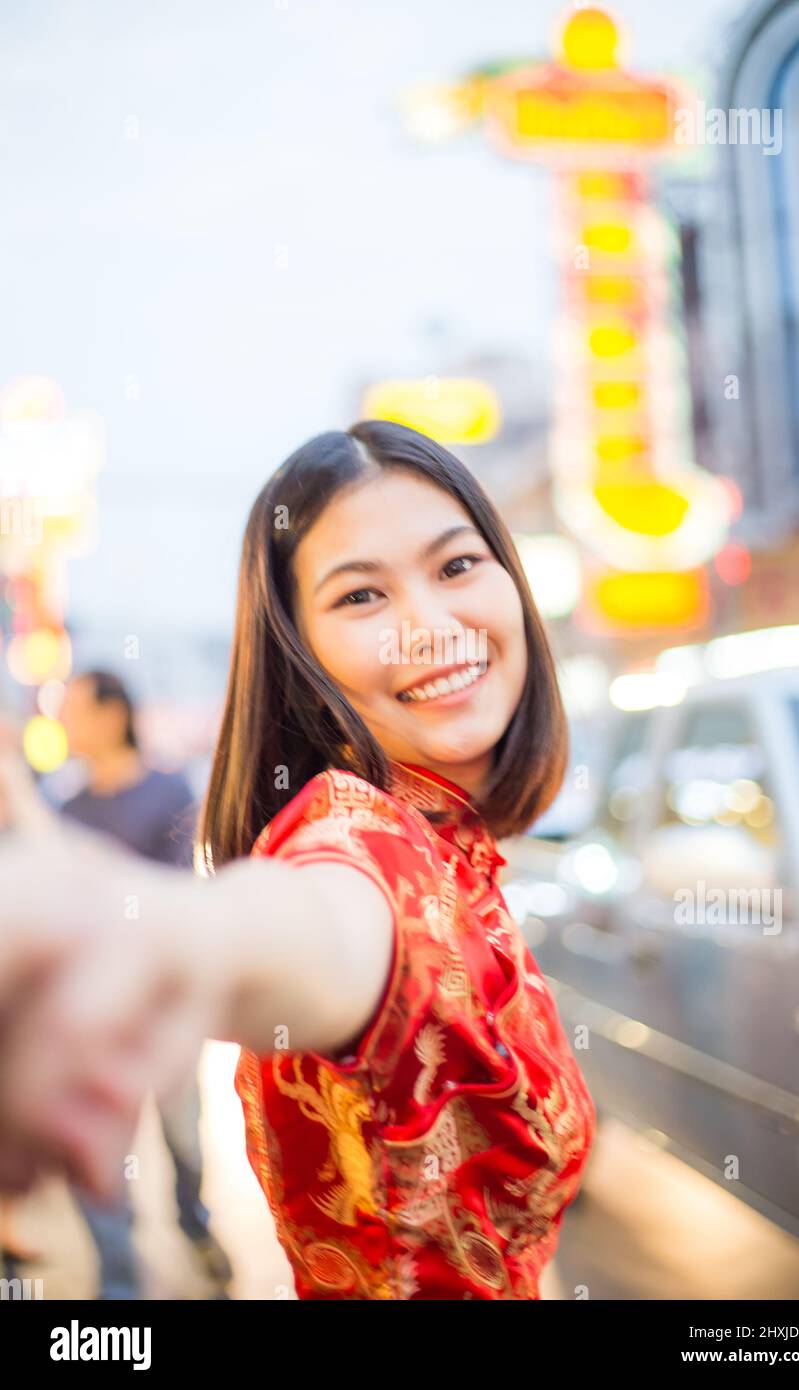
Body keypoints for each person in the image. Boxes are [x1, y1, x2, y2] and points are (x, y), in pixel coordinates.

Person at [0, 420, 596, 1300]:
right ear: (300, 655)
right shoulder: (360, 845)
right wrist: (135, 938)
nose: (427, 627)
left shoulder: (448, 837)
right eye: (361, 598)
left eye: (457, 566)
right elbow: (296, 926)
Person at [56, 670, 233, 1298]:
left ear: (112, 715)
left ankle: (195, 1223)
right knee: (99, 1151)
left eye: (74, 709)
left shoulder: (166, 791)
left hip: (163, 1007)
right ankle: (119, 1284)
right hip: (94, 1017)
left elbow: (183, 896)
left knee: (183, 1135)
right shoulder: (67, 808)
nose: (65, 723)